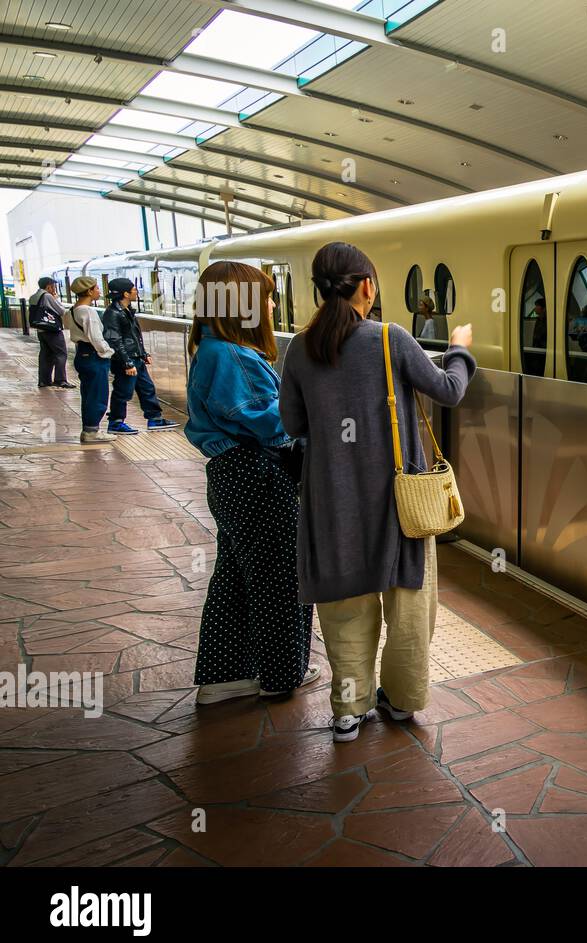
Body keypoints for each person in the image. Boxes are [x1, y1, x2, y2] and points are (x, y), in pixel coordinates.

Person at [279, 242, 475, 742]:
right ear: (366, 285)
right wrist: (460, 350)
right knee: (408, 605)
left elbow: (293, 423)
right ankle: (403, 701)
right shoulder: (391, 339)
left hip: (331, 501)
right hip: (397, 501)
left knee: (345, 607)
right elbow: (449, 390)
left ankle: (349, 709)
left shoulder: (299, 349)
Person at [184, 261, 320, 704]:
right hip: (257, 474)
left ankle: (224, 675)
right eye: (265, 295)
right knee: (281, 578)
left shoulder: (210, 349)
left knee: (236, 575)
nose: (272, 302)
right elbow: (272, 424)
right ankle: (281, 675)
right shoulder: (231, 355)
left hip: (232, 476)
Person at [102, 277, 180, 435]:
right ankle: (115, 423)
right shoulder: (113, 313)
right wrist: (127, 363)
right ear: (125, 293)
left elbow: (133, 337)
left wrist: (143, 353)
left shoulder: (126, 311)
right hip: (127, 361)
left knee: (147, 388)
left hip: (136, 358)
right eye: (134, 289)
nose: (136, 291)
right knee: (123, 391)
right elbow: (114, 340)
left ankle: (155, 419)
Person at [66, 277, 115, 443]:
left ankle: (89, 428)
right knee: (98, 393)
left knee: (88, 393)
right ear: (89, 291)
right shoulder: (88, 311)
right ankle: (92, 431)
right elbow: (96, 337)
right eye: (96, 288)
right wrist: (108, 352)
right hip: (93, 355)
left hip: (81, 354)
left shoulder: (73, 310)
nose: (99, 291)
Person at [29, 277, 75, 390]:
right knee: (61, 353)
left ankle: (44, 380)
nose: (54, 288)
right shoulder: (47, 296)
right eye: (53, 286)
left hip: (41, 329)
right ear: (49, 286)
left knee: (45, 354)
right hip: (51, 329)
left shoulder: (34, 296)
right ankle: (60, 380)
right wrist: (56, 298)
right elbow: (62, 311)